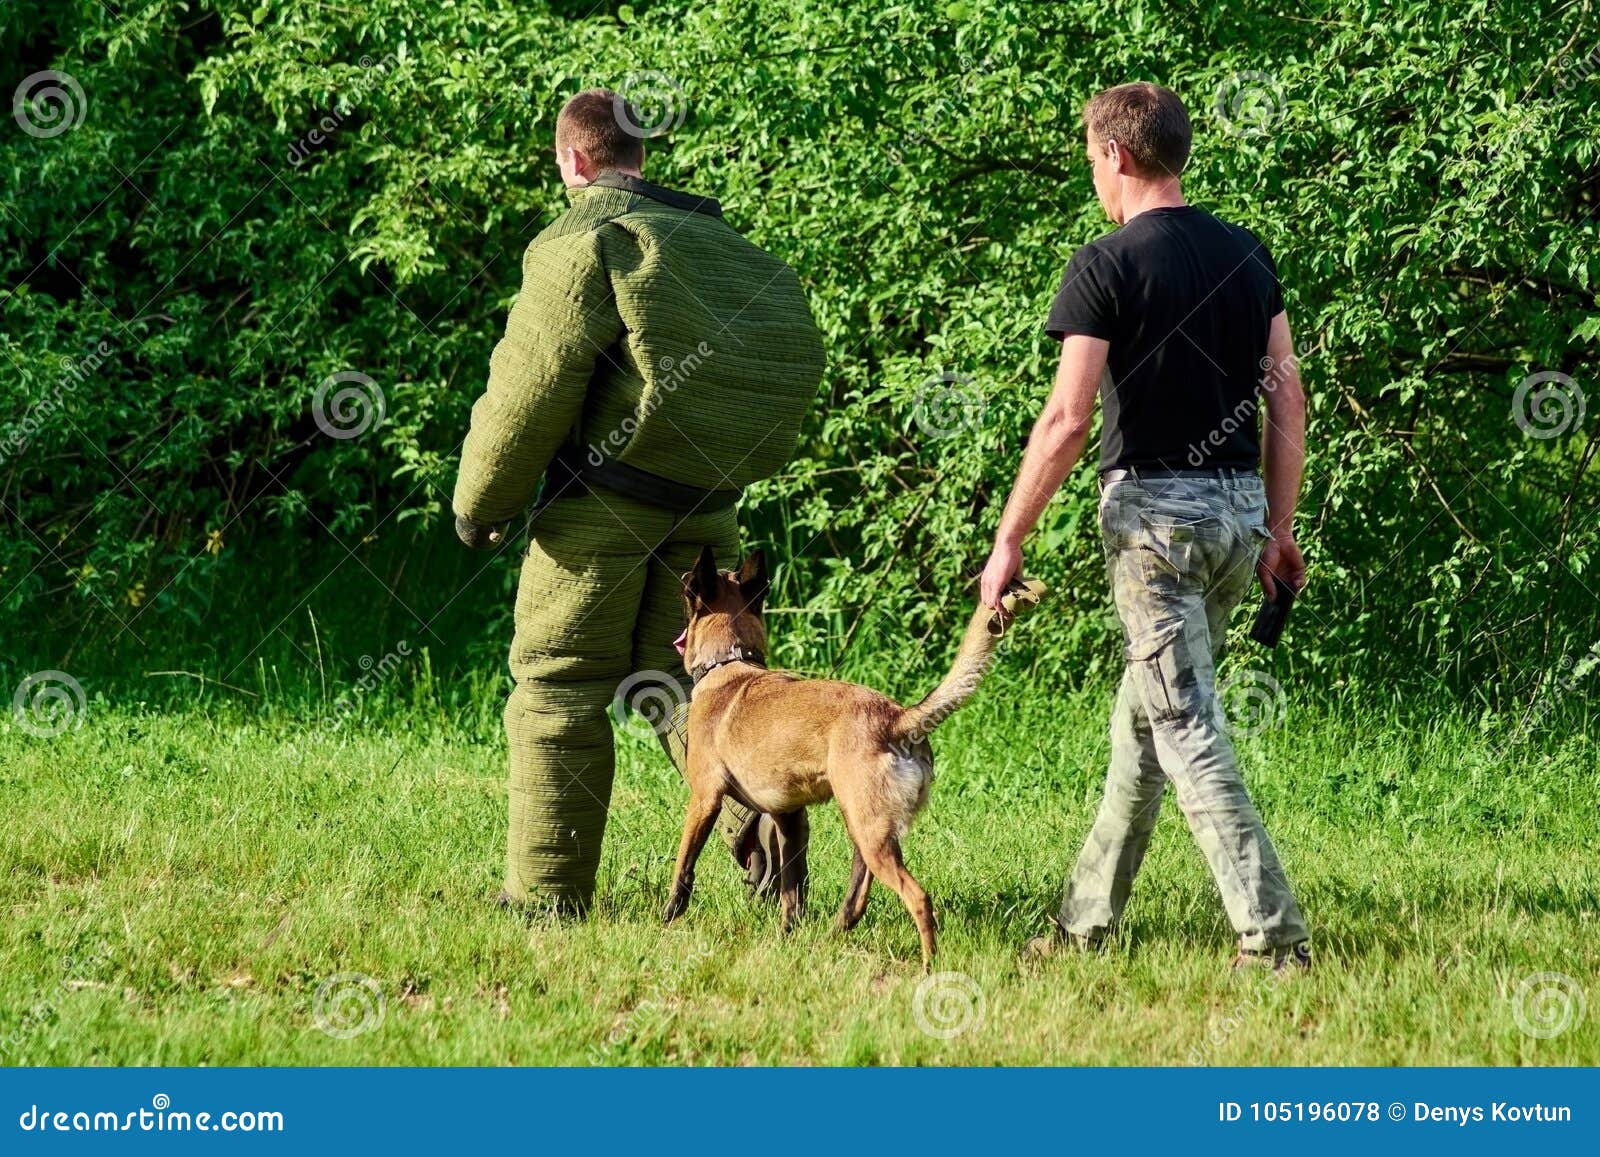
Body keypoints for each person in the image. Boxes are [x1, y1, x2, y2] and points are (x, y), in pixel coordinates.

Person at [453, 88, 825, 913]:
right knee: (689, 689)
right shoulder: (722, 246)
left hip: (601, 511)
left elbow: (530, 390)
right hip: (708, 511)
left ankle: (547, 896)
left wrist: (481, 502)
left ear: (574, 161)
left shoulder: (583, 239)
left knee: (559, 682)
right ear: (639, 159)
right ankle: (769, 859)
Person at [978, 82, 1311, 971]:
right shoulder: (1247, 255)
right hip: (1237, 520)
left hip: (1154, 531)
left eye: (1091, 157)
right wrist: (1279, 527)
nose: (1093, 174)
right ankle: (1085, 923)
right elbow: (1289, 396)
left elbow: (1066, 419)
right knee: (1147, 723)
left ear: (1116, 155)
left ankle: (1275, 940)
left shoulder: (1105, 263)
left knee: (1188, 727)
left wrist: (1008, 540)